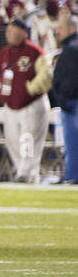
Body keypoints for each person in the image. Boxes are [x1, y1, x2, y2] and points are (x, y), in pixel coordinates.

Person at [0, 18, 53, 184]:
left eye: (13, 30)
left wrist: (30, 89)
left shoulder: (35, 52)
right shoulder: (4, 53)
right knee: (12, 140)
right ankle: (22, 172)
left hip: (31, 104)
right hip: (10, 105)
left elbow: (46, 75)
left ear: (23, 32)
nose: (8, 33)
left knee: (28, 140)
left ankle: (26, 173)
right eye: (8, 30)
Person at [49, 9, 78, 184]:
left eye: (61, 28)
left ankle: (73, 174)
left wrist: (64, 96)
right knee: (70, 143)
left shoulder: (73, 48)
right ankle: (71, 173)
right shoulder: (69, 48)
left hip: (72, 102)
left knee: (73, 142)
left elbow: (71, 77)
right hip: (68, 102)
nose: (58, 31)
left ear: (72, 29)